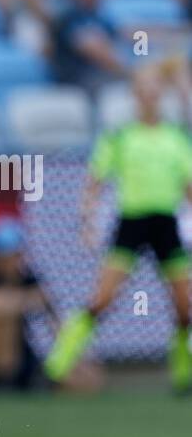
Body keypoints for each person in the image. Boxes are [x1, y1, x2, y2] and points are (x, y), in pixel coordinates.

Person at [44, 59, 192, 394]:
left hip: (165, 224)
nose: (150, 95)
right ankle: (58, 363)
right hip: (132, 223)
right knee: (102, 300)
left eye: (155, 89)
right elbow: (96, 181)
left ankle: (183, 373)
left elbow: (188, 186)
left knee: (185, 306)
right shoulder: (120, 136)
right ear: (135, 95)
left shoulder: (176, 137)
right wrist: (87, 221)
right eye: (144, 89)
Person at [0, 216, 51, 391]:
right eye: (8, 256)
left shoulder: (29, 279)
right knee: (3, 318)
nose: (13, 261)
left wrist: (13, 300)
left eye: (16, 255)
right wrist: (25, 300)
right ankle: (1, 381)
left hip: (28, 360)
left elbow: (46, 300)